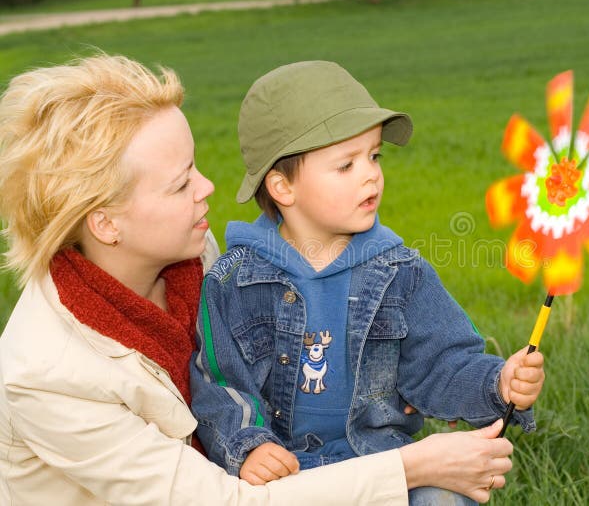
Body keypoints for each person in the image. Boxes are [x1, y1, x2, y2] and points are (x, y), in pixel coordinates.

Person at [0, 54, 516, 505]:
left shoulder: (194, 256)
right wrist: (411, 467)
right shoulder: (45, 375)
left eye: (195, 167)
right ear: (106, 223)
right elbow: (221, 499)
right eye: (181, 184)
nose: (208, 187)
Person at [190, 61, 546, 505]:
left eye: (374, 156)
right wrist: (249, 446)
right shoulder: (233, 283)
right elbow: (220, 384)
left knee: (444, 498)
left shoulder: (399, 273)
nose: (370, 174)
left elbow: (442, 364)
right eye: (345, 165)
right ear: (283, 187)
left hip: (388, 466)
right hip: (291, 478)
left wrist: (499, 383)